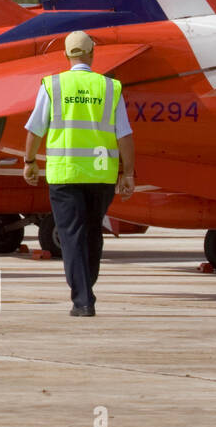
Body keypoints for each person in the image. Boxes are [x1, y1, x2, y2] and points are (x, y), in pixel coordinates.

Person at [23, 31, 136, 317]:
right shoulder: (110, 87)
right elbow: (124, 134)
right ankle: (86, 288)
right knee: (92, 234)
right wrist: (128, 172)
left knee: (71, 235)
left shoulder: (53, 85)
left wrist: (29, 161)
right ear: (92, 54)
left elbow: (35, 128)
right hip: (101, 176)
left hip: (65, 174)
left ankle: (82, 299)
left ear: (66, 55)